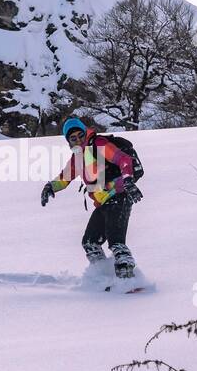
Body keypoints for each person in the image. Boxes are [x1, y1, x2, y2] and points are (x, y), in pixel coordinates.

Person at [40, 117, 144, 279]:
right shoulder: (78, 157)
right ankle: (104, 276)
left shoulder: (99, 144)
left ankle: (128, 279)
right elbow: (65, 177)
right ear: (68, 141)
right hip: (103, 203)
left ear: (85, 132)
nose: (78, 140)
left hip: (119, 196)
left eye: (80, 135)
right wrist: (50, 187)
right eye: (73, 138)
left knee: (116, 241)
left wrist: (128, 180)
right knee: (90, 242)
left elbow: (123, 159)